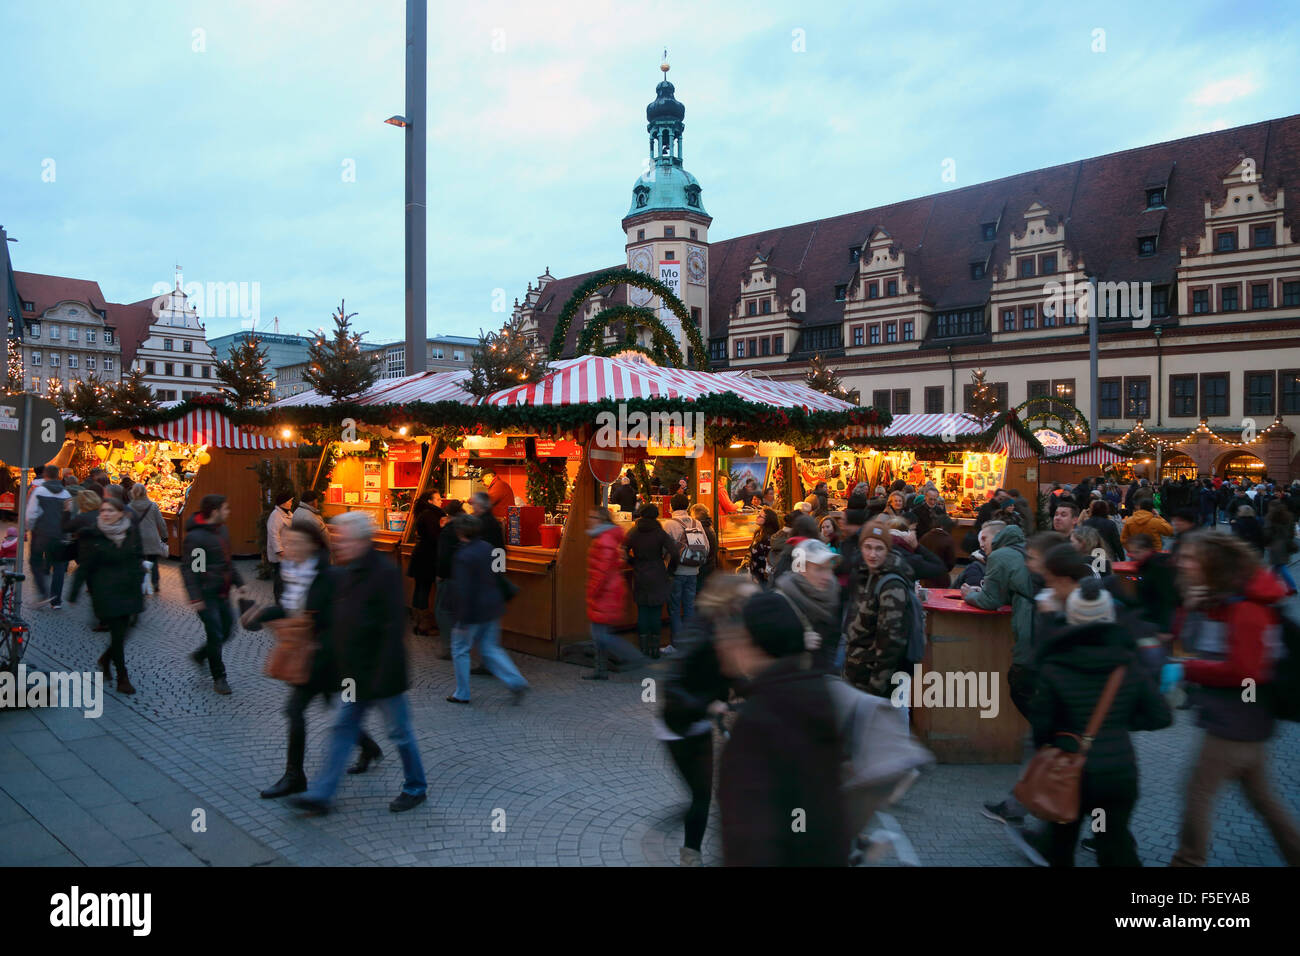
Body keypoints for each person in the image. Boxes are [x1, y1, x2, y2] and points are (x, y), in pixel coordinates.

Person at [1168, 531, 1300, 866]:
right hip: (1243, 723)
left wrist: (1189, 671)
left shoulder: (1245, 610)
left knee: (1197, 793)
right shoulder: (1223, 602)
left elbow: (1246, 673)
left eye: (1191, 558)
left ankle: (1188, 861)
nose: (1182, 562)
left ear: (1213, 565)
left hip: (1235, 724)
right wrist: (1192, 607)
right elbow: (1186, 641)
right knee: (1265, 803)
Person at [1028, 577, 1174, 867]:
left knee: (1060, 846)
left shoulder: (1054, 666)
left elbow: (1041, 726)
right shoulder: (1127, 663)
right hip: (1117, 773)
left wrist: (1055, 741)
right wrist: (1117, 724)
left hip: (1069, 771)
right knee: (1114, 843)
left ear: (1070, 617)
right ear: (1108, 617)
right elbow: (1160, 715)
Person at [290, 511, 427, 815]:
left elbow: (393, 627)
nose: (338, 542)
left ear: (362, 539)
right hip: (354, 673)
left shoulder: (384, 572)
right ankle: (322, 795)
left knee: (400, 732)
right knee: (342, 729)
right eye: (336, 536)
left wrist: (379, 676)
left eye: (344, 537)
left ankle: (416, 787)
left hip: (383, 675)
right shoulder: (347, 570)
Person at [715, 590, 849, 866]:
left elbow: (751, 838)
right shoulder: (817, 690)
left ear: (755, 644)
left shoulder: (757, 722)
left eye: (736, 634)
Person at [254, 521, 382, 798]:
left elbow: (344, 618)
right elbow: (290, 610)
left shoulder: (331, 576)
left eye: (297, 543)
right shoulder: (292, 574)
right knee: (336, 709)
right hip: (313, 656)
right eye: (288, 542)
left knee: (296, 710)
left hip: (329, 658)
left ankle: (295, 776)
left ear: (313, 545)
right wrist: (260, 615)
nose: (290, 548)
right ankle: (369, 747)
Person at [659, 575, 748, 865]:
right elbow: (672, 685)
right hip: (677, 725)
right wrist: (707, 705)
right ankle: (690, 855)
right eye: (744, 598)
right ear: (729, 600)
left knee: (703, 793)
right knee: (700, 793)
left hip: (698, 722)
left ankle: (691, 848)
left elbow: (734, 674)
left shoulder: (729, 627)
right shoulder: (700, 629)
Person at [443, 513, 529, 704]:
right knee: (490, 648)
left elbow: (463, 589)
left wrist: (461, 619)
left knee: (460, 649)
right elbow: (496, 575)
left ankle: (462, 692)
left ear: (460, 532)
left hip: (473, 611)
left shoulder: (463, 556)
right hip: (492, 606)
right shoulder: (487, 548)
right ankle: (515, 680)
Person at [71, 496, 146, 695]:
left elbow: (138, 556)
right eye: (103, 510)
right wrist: (73, 592)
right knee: (118, 634)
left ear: (121, 513)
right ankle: (123, 677)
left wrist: (139, 578)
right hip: (106, 592)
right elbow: (85, 566)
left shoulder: (131, 532)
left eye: (111, 510)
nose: (105, 513)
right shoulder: (92, 535)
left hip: (129, 590)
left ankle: (105, 659)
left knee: (125, 632)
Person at [963, 521, 1035, 724]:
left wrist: (969, 595)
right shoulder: (1028, 549)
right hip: (1047, 623)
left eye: (984, 538)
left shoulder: (998, 556)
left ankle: (1053, 741)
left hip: (1028, 626)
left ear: (998, 536)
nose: (981, 543)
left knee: (1020, 685)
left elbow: (989, 601)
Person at [181, 494, 246, 695]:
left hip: (223, 592)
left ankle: (200, 655)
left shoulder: (222, 530)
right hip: (207, 595)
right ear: (214, 511)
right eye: (225, 509)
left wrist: (238, 582)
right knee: (216, 634)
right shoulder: (197, 538)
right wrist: (196, 597)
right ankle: (220, 677)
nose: (228, 512)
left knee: (227, 630)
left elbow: (227, 560)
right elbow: (193, 569)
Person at [845, 518, 917, 699]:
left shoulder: (891, 586)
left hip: (872, 682)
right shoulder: (867, 574)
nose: (872, 554)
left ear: (888, 550)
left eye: (879, 548)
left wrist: (876, 687)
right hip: (858, 673)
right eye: (868, 547)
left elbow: (890, 643)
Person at [772, 538, 842, 671]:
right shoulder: (781, 602)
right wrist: (796, 642)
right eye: (819, 569)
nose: (827, 576)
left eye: (829, 568)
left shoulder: (834, 593)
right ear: (800, 569)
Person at [584, 507, 632, 680]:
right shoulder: (607, 537)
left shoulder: (604, 540)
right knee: (599, 634)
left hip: (605, 592)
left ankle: (635, 658)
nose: (589, 519)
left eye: (593, 516)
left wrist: (593, 590)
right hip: (609, 589)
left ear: (602, 519)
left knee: (602, 635)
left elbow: (601, 571)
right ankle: (600, 670)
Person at [625, 504, 675, 659]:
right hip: (658, 573)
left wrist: (633, 562)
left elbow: (621, 549)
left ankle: (643, 648)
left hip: (640, 573)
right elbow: (674, 552)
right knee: (655, 612)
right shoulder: (660, 532)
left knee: (643, 611)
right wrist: (670, 570)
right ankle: (654, 649)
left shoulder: (634, 532)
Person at [662, 493, 707, 653]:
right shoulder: (697, 523)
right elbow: (705, 548)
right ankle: (689, 644)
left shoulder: (669, 524)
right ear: (687, 507)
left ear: (671, 507)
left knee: (674, 608)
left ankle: (676, 645)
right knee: (689, 607)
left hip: (676, 571)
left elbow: (663, 549)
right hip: (693, 571)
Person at [26, 465, 71, 609]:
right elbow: (70, 514)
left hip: (41, 533)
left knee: (35, 561)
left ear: (45, 475)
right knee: (58, 566)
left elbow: (31, 513)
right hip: (60, 534)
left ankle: (43, 593)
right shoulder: (66, 494)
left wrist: (30, 528)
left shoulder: (39, 491)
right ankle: (56, 600)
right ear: (58, 475)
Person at [406, 491, 444, 635]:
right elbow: (435, 537)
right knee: (424, 589)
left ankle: (418, 623)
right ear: (430, 501)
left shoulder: (425, 513)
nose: (441, 501)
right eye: (439, 499)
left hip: (421, 554)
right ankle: (423, 625)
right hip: (427, 556)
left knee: (420, 588)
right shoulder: (431, 515)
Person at [128, 483, 169, 595]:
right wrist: (165, 536)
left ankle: (141, 583)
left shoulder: (129, 507)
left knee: (139, 561)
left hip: (136, 538)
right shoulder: (153, 506)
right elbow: (161, 523)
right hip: (152, 537)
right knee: (153, 561)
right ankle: (155, 583)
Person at [265, 491, 294, 602]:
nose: (291, 503)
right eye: (290, 501)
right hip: (280, 554)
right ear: (284, 503)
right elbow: (273, 535)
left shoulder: (289, 514)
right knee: (279, 578)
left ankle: (285, 599)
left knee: (285, 577)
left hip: (288, 552)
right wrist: (279, 550)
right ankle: (279, 600)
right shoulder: (275, 516)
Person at [1264, 503, 1298, 593]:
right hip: (1286, 543)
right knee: (1277, 567)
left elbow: (1268, 533)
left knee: (1280, 566)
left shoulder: (1270, 518)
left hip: (1275, 544)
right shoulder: (1289, 517)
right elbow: (1291, 532)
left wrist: (1266, 543)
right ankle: (1268, 585)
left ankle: (1292, 586)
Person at [747, 507, 780, 586]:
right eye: (758, 515)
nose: (757, 517)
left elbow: (769, 560)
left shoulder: (769, 538)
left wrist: (762, 578)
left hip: (763, 579)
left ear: (768, 520)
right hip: (754, 574)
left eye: (760, 516)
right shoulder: (758, 532)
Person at [690, 504, 719, 588]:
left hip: (703, 568)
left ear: (695, 516)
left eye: (691, 515)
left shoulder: (699, 530)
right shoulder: (709, 526)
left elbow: (695, 553)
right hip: (710, 566)